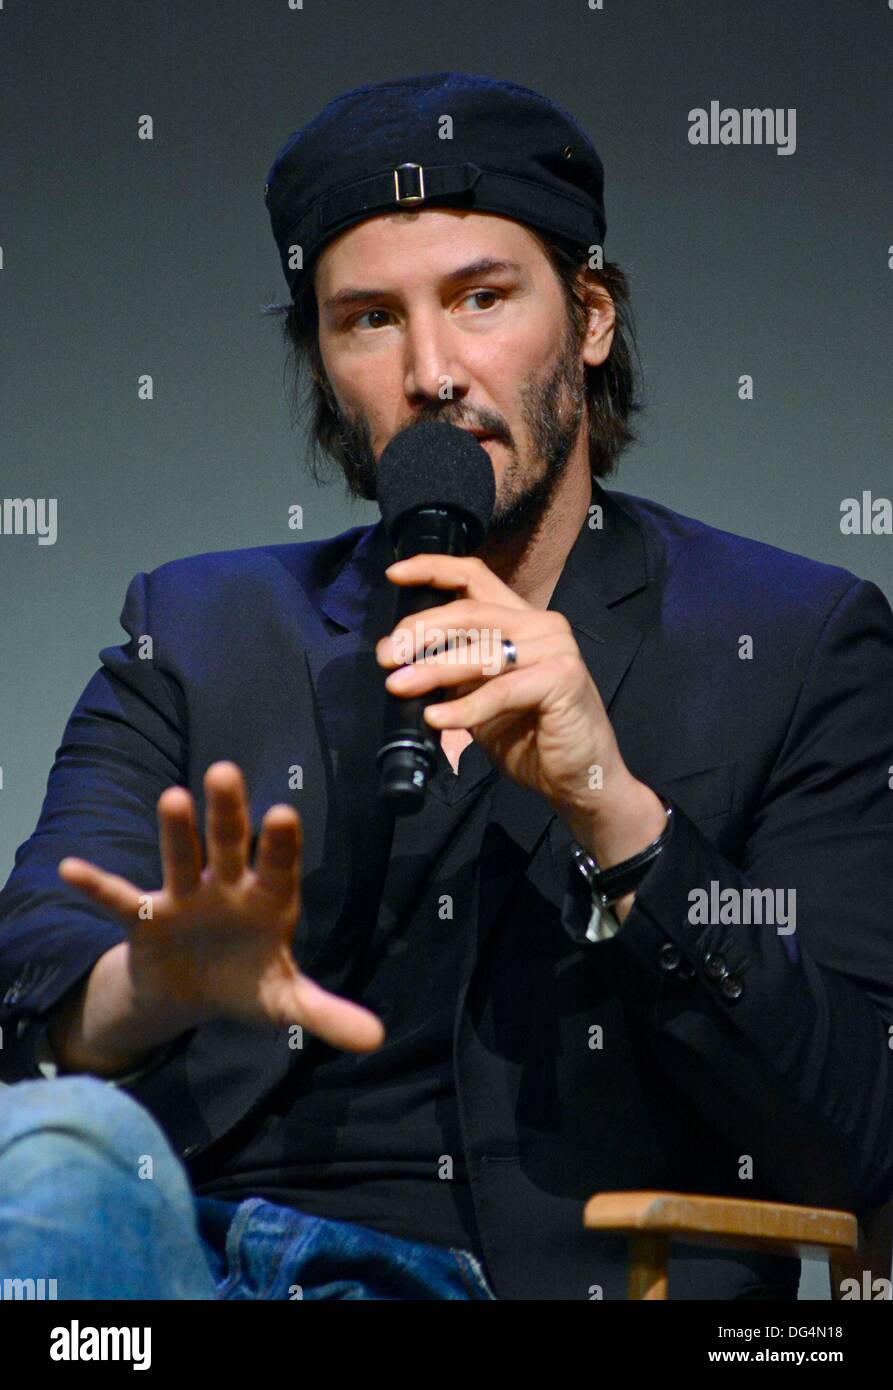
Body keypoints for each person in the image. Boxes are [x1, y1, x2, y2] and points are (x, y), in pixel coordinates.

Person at [1, 70, 892, 1302]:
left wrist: (622, 824)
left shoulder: (790, 642)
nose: (430, 370)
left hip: (506, 1280)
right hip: (183, 1261)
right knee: (61, 1159)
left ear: (587, 316)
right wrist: (140, 988)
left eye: (481, 298)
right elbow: (34, 962)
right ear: (321, 359)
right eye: (366, 318)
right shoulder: (201, 625)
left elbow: (859, 1124)